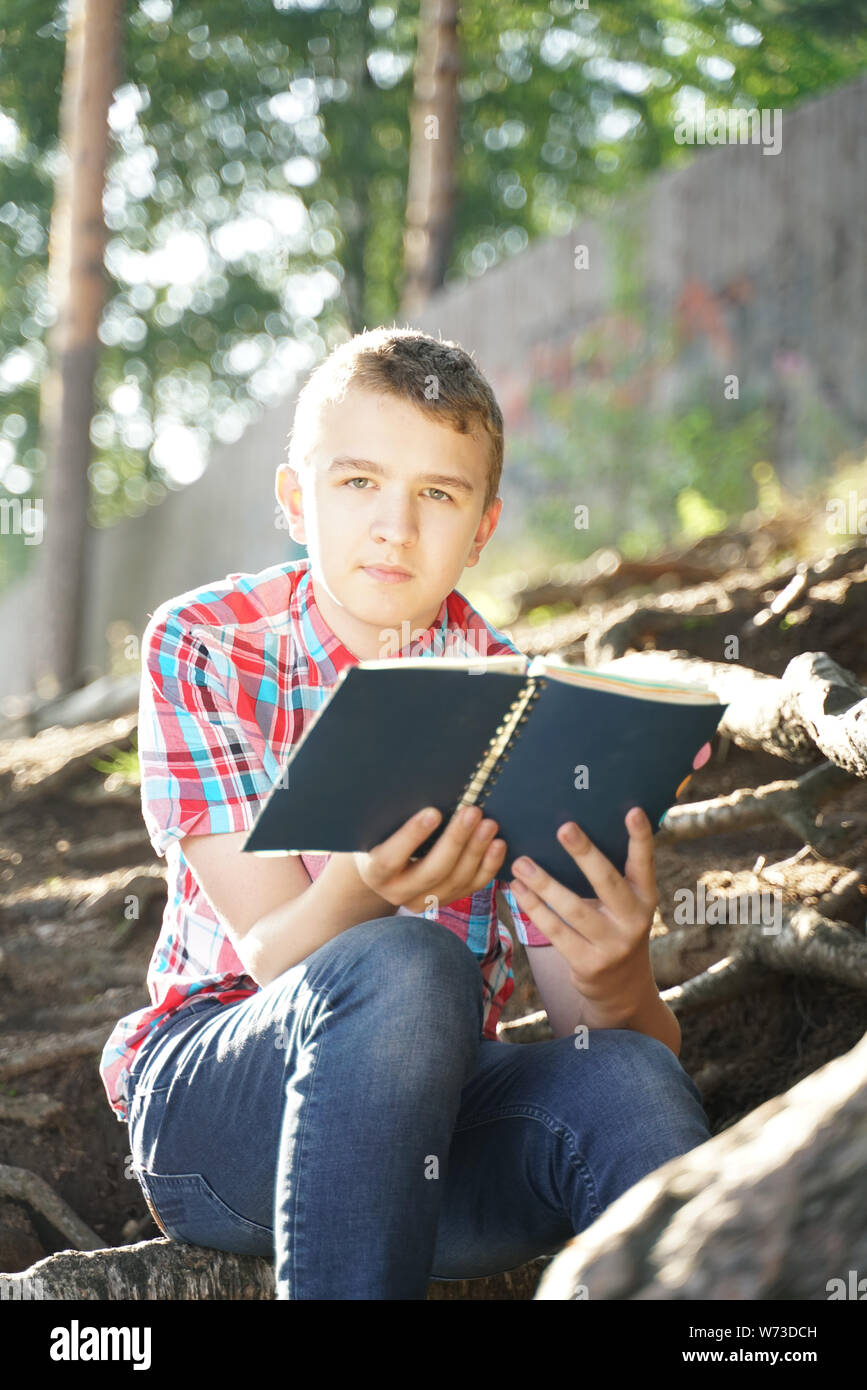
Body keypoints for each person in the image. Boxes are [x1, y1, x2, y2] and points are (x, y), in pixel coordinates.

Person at [99, 326, 711, 1300]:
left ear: (483, 527)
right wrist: (367, 886)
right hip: (221, 1112)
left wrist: (617, 968)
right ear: (297, 500)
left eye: (438, 494)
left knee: (629, 1077)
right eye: (358, 484)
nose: (395, 527)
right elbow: (268, 953)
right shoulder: (207, 644)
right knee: (407, 961)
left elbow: (616, 1037)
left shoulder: (523, 703)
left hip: (439, 1141)